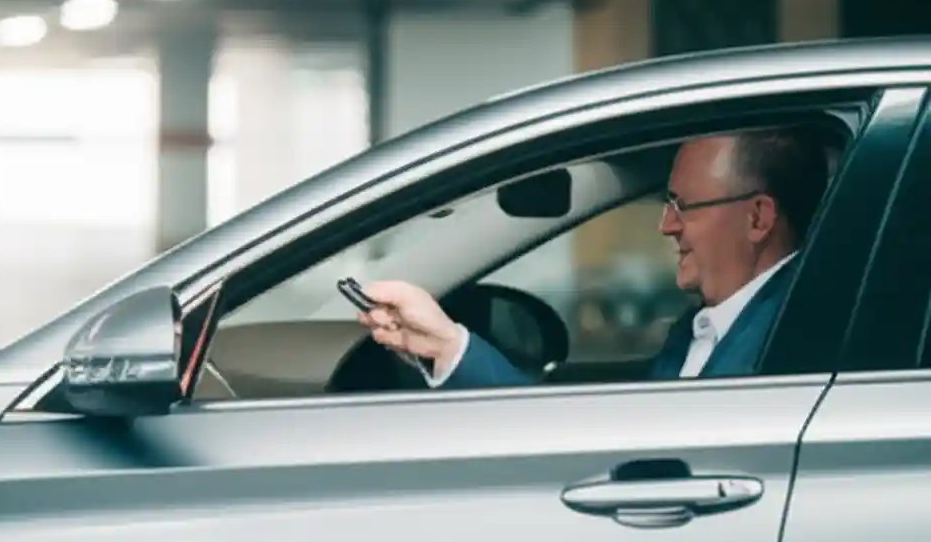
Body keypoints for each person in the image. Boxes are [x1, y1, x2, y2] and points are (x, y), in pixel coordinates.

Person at [356, 128, 831, 389]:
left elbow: (647, 461)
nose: (666, 225)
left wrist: (452, 348)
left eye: (682, 206)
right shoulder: (703, 330)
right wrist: (446, 346)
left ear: (758, 218)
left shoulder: (791, 342)